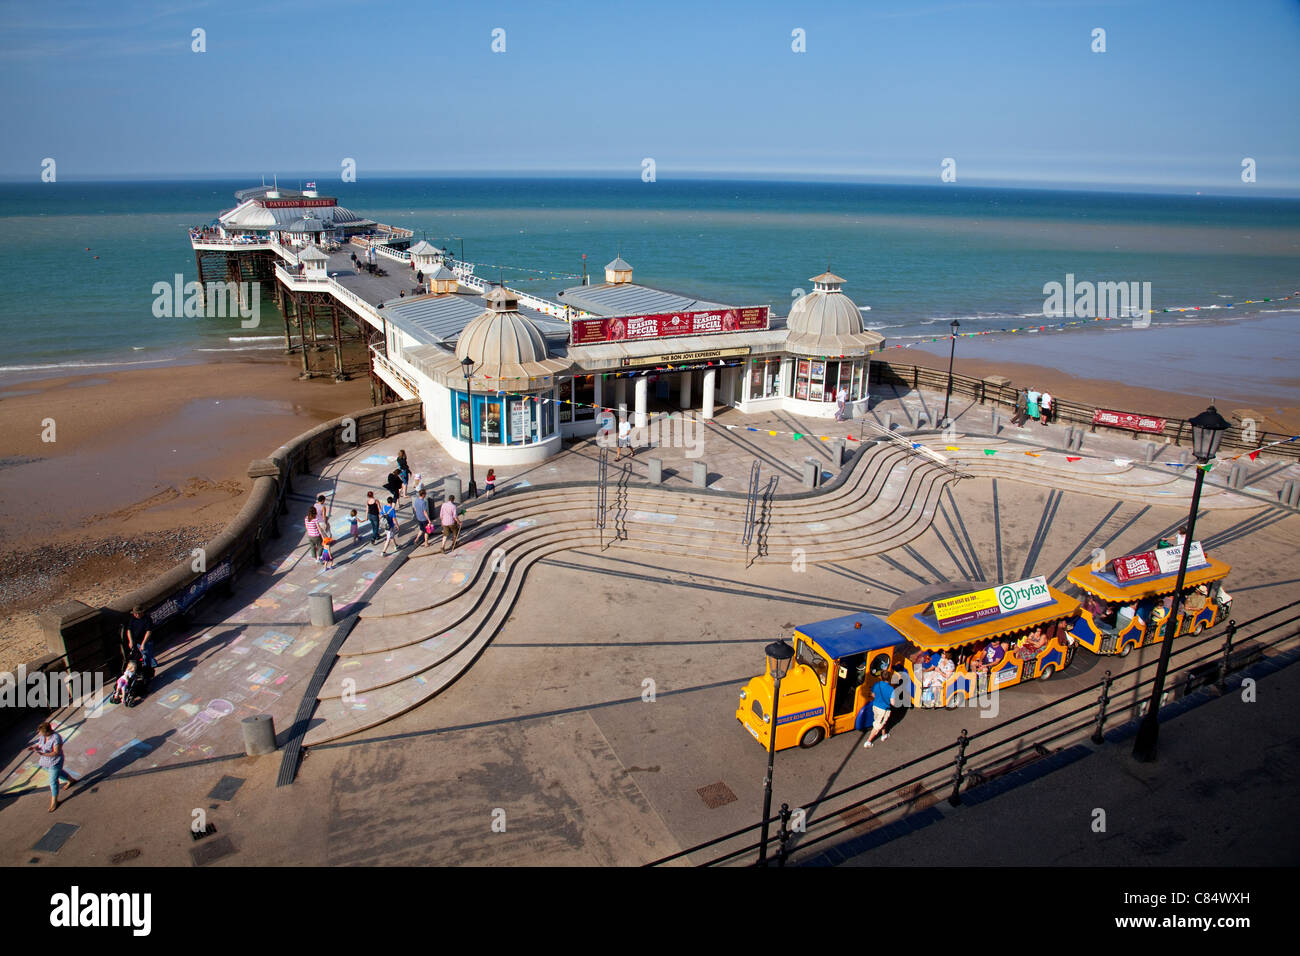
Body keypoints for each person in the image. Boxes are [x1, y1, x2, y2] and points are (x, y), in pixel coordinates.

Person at [31, 722, 77, 812]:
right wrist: (35, 748)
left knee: (53, 781)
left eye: (41, 732)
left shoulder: (56, 738)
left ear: (47, 732)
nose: (39, 734)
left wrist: (43, 753)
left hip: (55, 762)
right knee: (58, 773)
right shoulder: (42, 737)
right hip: (45, 762)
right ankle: (71, 780)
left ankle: (54, 802)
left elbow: (56, 752)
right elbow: (39, 744)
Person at [862, 673, 895, 748]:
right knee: (877, 725)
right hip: (883, 709)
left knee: (881, 721)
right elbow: (893, 703)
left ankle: (884, 735)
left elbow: (873, 695)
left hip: (875, 706)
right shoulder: (891, 689)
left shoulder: (877, 684)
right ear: (889, 678)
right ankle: (868, 742)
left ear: (881, 677)